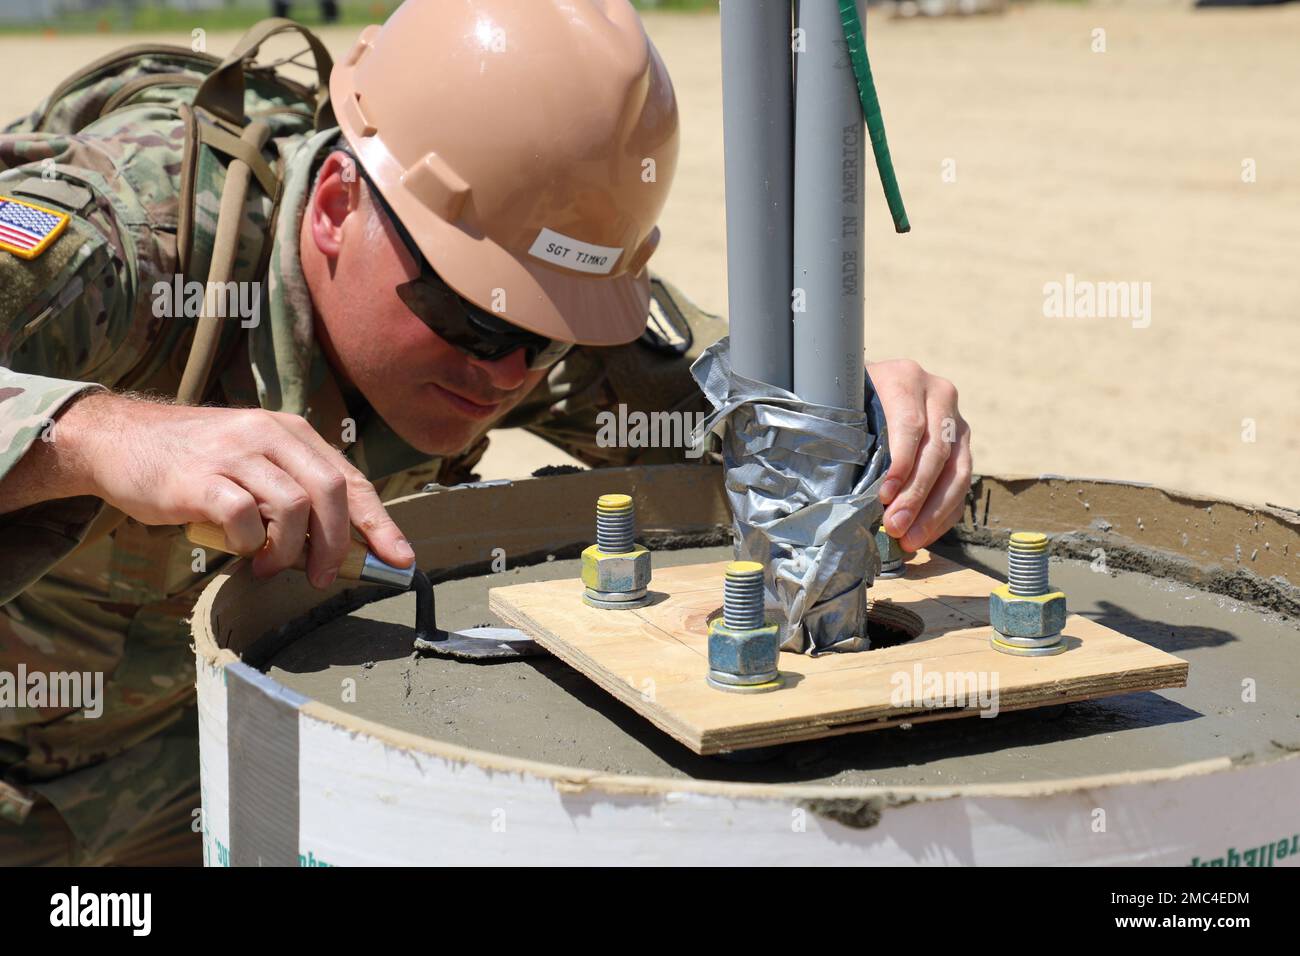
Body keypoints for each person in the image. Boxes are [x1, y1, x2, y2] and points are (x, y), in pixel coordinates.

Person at [0, 0, 970, 865]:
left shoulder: (520, 308)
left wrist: (854, 405)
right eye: (475, 322)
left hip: (192, 759)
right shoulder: (119, 246)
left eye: (551, 336)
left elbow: (740, 408)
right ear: (337, 206)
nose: (508, 374)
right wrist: (86, 433)